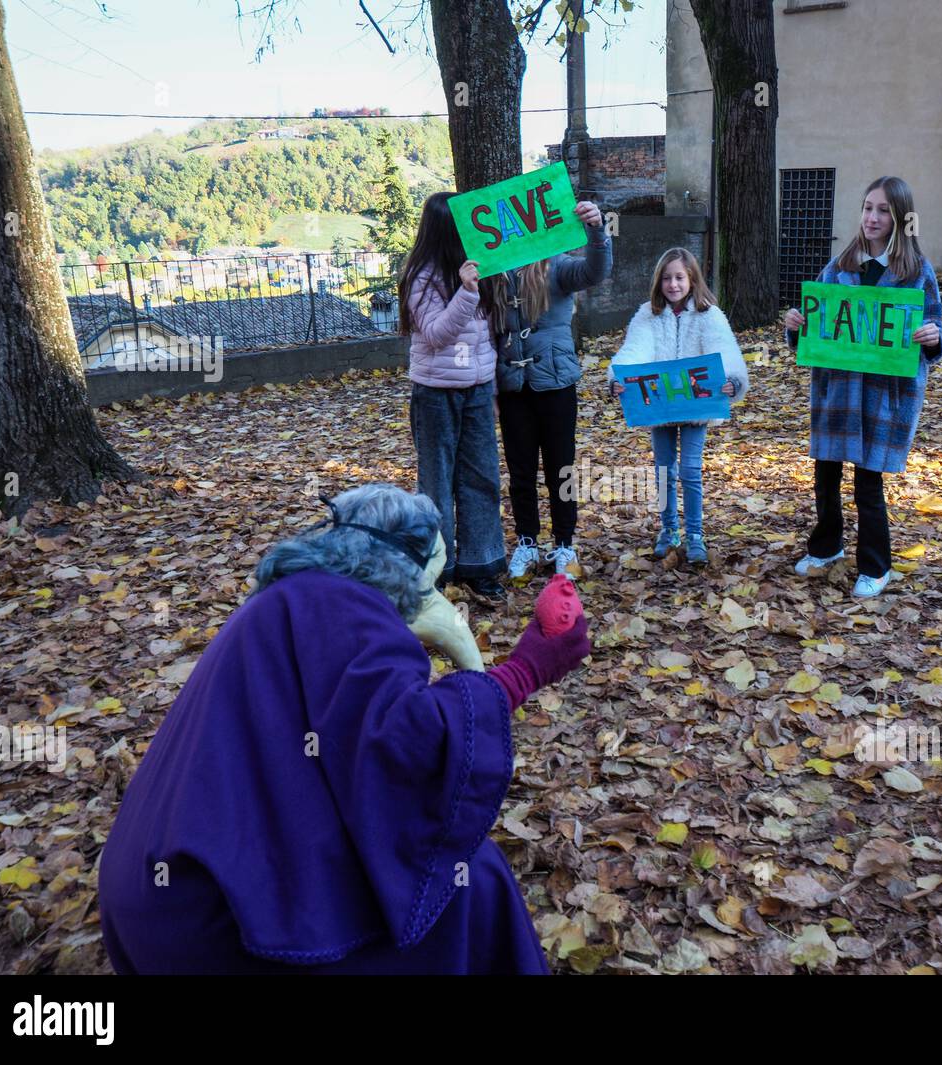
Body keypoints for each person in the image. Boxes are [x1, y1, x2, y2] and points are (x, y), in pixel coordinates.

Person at [98, 484, 590, 974]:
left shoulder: (288, 601)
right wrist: (528, 669)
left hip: (148, 898)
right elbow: (409, 742)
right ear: (403, 568)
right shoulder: (348, 610)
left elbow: (346, 744)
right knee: (472, 883)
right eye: (429, 581)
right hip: (211, 921)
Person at [784, 176, 942, 598]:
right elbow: (817, 328)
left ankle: (876, 565)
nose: (872, 217)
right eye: (867, 207)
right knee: (826, 475)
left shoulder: (915, 272)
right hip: (837, 392)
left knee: (869, 485)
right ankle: (826, 547)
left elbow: (934, 327)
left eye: (883, 211)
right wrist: (797, 327)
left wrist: (932, 338)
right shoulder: (839, 266)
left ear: (899, 218)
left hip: (882, 397)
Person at [606, 247, 748, 565]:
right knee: (664, 470)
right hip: (660, 408)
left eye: (679, 277)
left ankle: (695, 533)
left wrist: (731, 379)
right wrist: (618, 376)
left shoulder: (709, 314)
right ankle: (669, 530)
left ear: (692, 278)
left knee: (690, 470)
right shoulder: (648, 315)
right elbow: (635, 350)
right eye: (667, 278)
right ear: (659, 282)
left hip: (696, 408)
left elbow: (723, 348)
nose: (673, 284)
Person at [495, 200, 611, 582]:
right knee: (521, 468)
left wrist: (597, 230)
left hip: (556, 381)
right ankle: (527, 541)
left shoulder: (556, 264)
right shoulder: (496, 269)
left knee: (560, 466)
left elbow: (595, 271)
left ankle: (564, 542)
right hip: (514, 382)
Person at [399, 191, 507, 600]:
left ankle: (481, 566)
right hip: (435, 395)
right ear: (446, 228)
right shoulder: (422, 276)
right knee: (437, 484)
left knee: (481, 479)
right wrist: (465, 291)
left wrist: (491, 389)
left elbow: (486, 340)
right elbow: (438, 334)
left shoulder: (477, 270)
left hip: (477, 392)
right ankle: (438, 570)